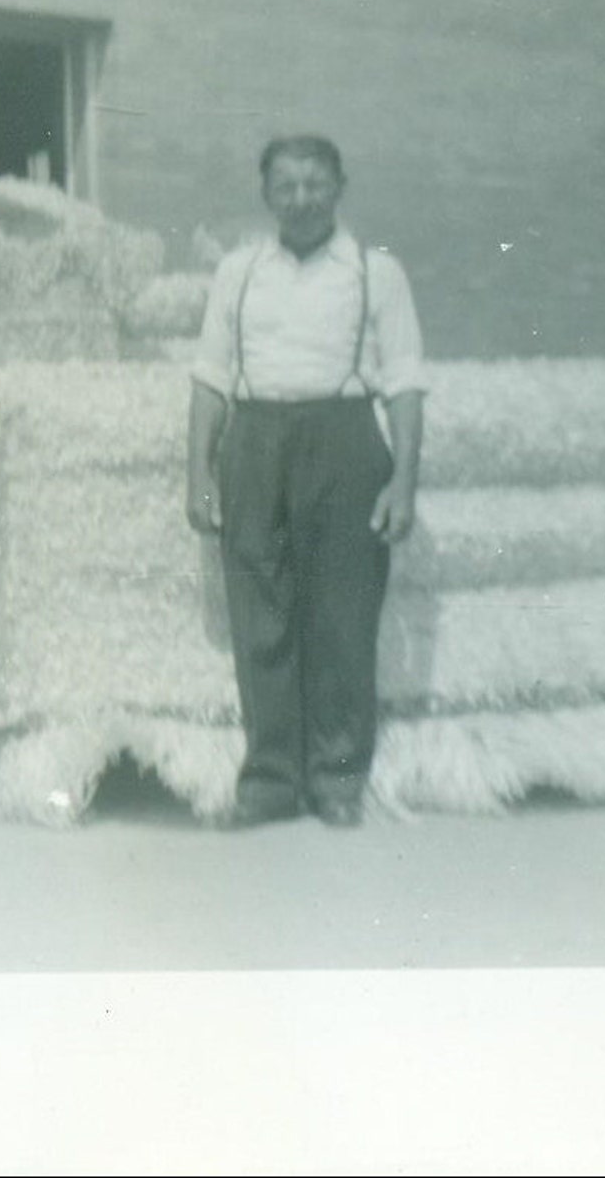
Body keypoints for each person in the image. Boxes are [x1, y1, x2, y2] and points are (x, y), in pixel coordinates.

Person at [186, 134, 426, 829]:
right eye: (286, 185)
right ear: (266, 195)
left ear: (340, 187)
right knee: (259, 615)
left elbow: (407, 382)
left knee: (343, 620)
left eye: (314, 184)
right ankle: (268, 782)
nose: (300, 199)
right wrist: (197, 472)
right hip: (255, 440)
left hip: (346, 439)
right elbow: (209, 377)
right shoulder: (238, 271)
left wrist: (403, 482)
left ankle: (337, 780)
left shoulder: (376, 272)